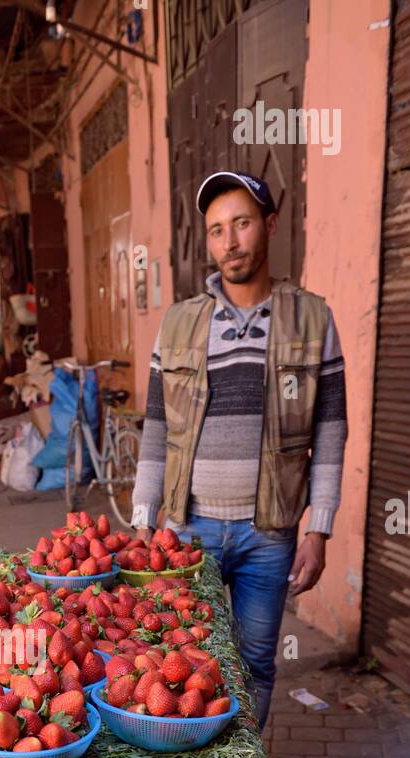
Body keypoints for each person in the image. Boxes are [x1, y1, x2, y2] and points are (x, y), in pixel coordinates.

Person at [130, 170, 347, 728]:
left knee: (254, 664)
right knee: (174, 667)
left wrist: (318, 529)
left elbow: (329, 431)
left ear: (269, 226)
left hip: (267, 533)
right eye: (216, 229)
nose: (229, 241)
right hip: (186, 530)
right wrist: (141, 520)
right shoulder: (179, 323)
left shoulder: (312, 318)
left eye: (242, 224)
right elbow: (156, 428)